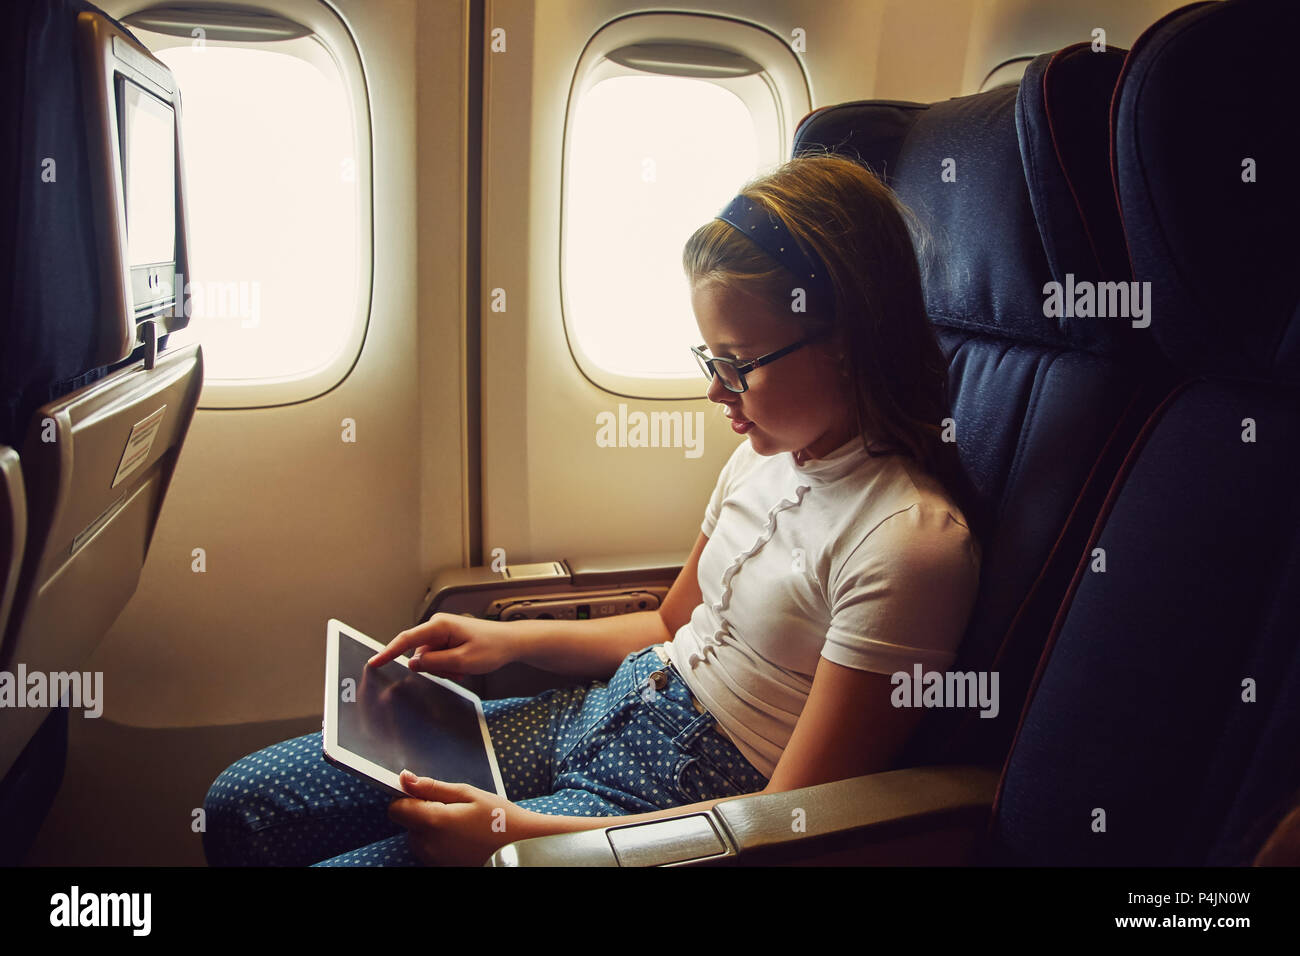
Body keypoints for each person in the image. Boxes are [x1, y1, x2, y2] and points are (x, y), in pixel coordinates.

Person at [201, 153, 982, 867]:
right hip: (607, 711)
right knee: (245, 804)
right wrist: (499, 641)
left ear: (845, 341)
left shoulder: (909, 545)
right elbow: (670, 627)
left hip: (687, 798)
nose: (715, 392)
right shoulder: (762, 454)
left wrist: (513, 835)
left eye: (737, 365)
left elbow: (789, 824)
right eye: (710, 360)